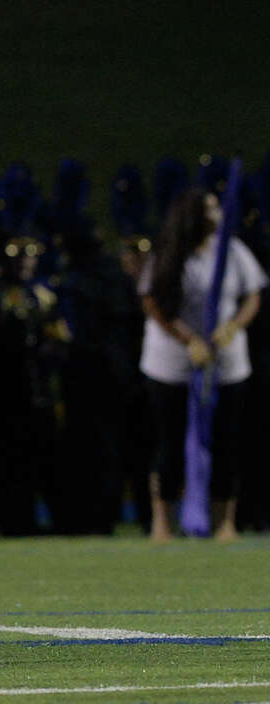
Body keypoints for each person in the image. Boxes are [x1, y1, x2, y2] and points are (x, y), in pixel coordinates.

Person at [139, 189, 266, 542]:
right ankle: (163, 522)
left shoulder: (232, 250)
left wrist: (233, 326)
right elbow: (152, 301)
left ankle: (224, 521)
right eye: (210, 208)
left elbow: (252, 294)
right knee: (170, 441)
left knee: (225, 442)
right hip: (173, 363)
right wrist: (187, 339)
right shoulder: (167, 253)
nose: (218, 213)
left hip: (225, 363)